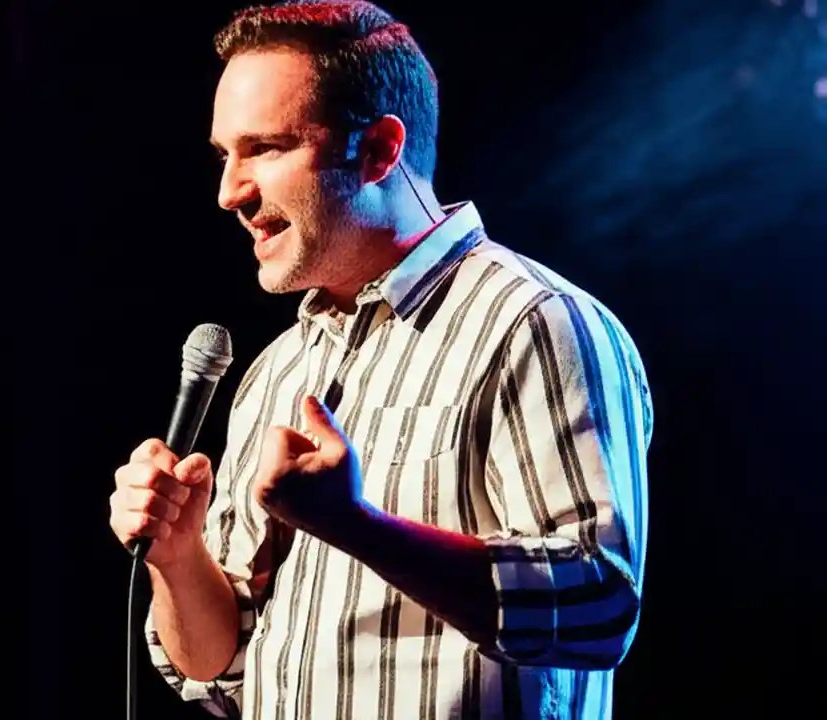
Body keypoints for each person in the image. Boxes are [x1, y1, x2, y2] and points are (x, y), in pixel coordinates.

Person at [107, 1, 653, 718]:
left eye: (265, 149)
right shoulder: (275, 371)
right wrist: (178, 559)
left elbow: (597, 608)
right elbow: (223, 670)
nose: (229, 192)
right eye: (224, 155)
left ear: (379, 150)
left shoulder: (534, 322)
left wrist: (356, 524)